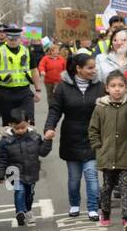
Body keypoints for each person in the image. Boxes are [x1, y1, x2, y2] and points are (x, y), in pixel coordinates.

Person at [43, 52, 104, 219]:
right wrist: (49, 127)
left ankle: (92, 208)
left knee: (91, 175)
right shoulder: (63, 87)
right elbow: (55, 109)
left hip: (93, 137)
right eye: (89, 68)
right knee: (74, 178)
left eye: (94, 67)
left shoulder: (100, 86)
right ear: (78, 69)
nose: (94, 71)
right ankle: (75, 204)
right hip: (71, 137)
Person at [88, 69, 127, 231]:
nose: (117, 89)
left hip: (126, 153)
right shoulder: (100, 108)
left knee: (126, 187)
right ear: (107, 88)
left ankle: (126, 218)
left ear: (126, 87)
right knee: (107, 186)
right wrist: (98, 147)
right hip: (107, 154)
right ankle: (106, 214)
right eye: (113, 86)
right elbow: (93, 130)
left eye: (121, 85)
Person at [0, 109, 52, 226]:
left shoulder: (35, 137)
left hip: (31, 170)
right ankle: (20, 212)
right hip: (13, 171)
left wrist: (47, 140)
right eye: (17, 128)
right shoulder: (5, 141)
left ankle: (28, 210)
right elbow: (1, 159)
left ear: (28, 123)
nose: (20, 130)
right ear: (10, 125)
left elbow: (42, 152)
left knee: (29, 193)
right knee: (19, 191)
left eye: (23, 127)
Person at [0, 27, 39, 126]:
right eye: (10, 39)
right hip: (6, 93)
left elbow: (34, 71)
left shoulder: (27, 51)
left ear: (20, 38)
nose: (13, 41)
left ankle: (30, 140)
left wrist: (38, 90)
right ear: (6, 38)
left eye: (15, 39)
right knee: (9, 125)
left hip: (24, 92)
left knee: (29, 121)